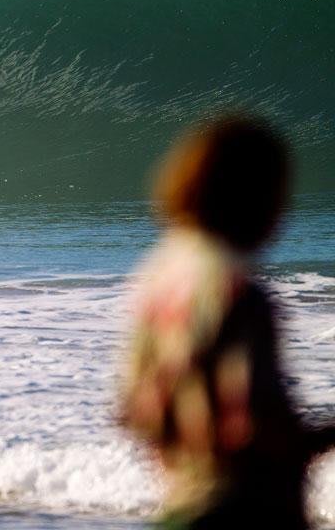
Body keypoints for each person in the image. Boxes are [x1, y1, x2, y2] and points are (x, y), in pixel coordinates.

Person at [118, 116, 335, 529]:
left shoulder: (158, 277)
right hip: (247, 512)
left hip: (180, 507)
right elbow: (250, 432)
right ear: (247, 196)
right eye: (277, 190)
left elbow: (134, 411)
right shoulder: (239, 295)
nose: (284, 208)